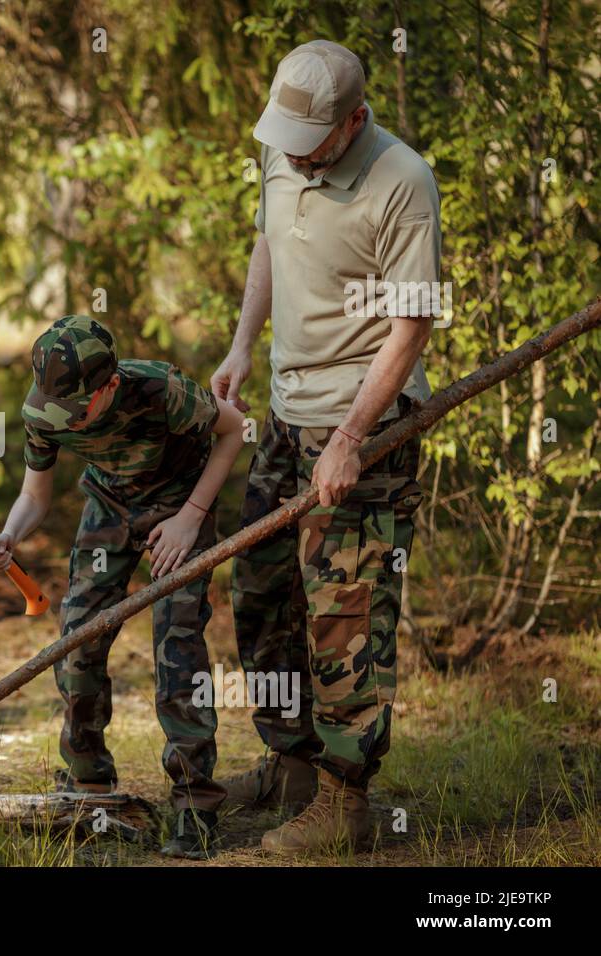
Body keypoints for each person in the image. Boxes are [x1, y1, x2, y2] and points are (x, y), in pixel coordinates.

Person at [212, 40, 437, 855]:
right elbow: (270, 244)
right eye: (286, 141)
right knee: (264, 593)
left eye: (312, 143)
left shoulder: (402, 183)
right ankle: (293, 765)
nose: (294, 156)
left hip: (361, 430)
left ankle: (346, 804)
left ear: (357, 121)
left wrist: (349, 440)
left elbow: (410, 325)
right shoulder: (283, 144)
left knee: (345, 616)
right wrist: (243, 346)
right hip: (284, 416)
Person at [0, 314, 246, 858]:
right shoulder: (45, 408)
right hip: (109, 507)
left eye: (78, 411)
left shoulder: (162, 388)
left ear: (109, 387)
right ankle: (89, 786)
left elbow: (235, 428)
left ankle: (195, 807)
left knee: (178, 651)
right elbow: (35, 496)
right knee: (75, 640)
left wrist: (192, 516)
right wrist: (8, 536)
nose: (67, 423)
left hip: (180, 504)